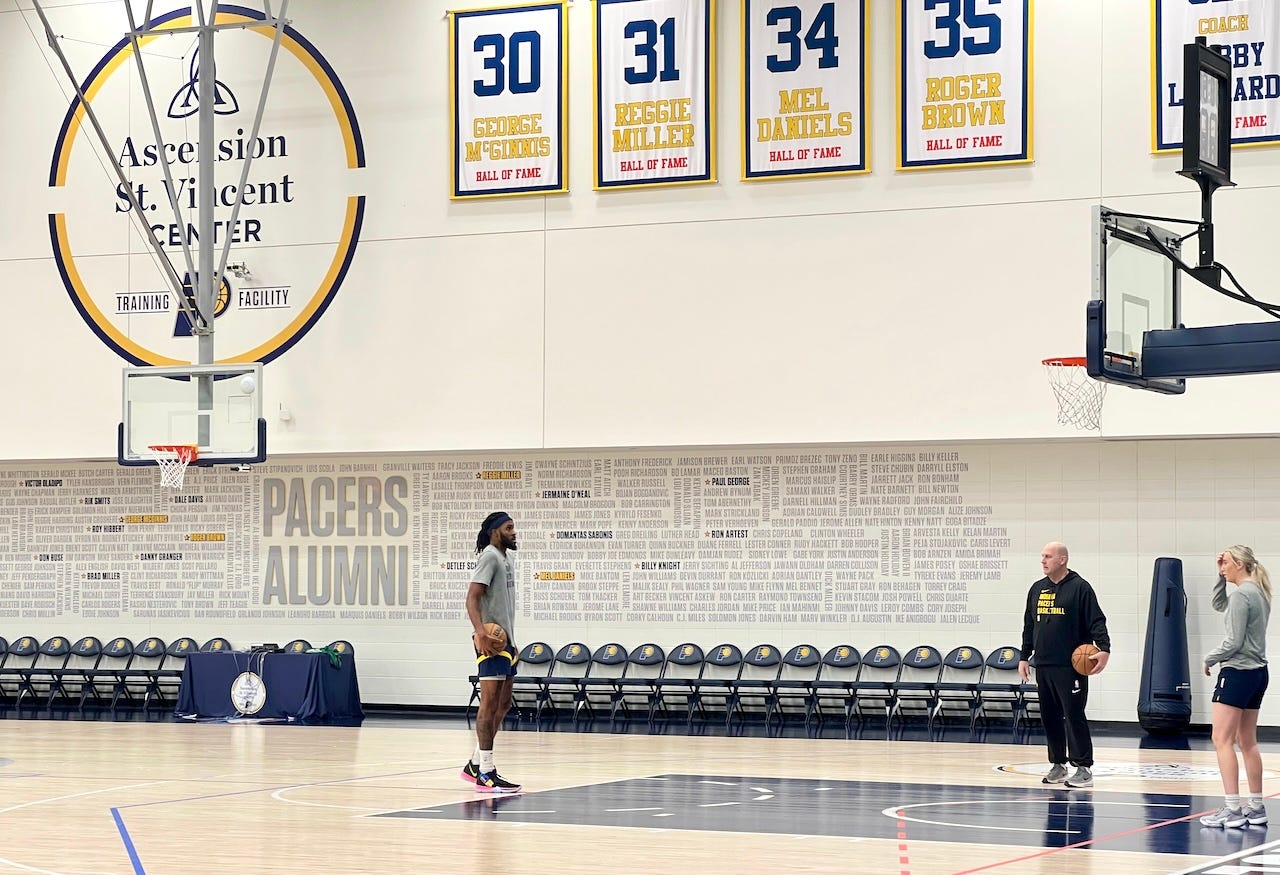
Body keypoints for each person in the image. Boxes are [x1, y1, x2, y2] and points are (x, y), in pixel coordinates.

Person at [1019, 542, 1111, 789]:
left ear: (1062, 559)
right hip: (1044, 664)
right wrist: (1024, 656)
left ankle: (1083, 768)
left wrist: (1104, 649)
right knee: (1049, 717)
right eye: (1042, 556)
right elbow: (1029, 625)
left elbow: (1097, 621)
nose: (1043, 560)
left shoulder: (1080, 588)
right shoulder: (1037, 589)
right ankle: (1058, 764)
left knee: (1073, 715)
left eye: (1048, 556)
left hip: (1070, 666)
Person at [1200, 545, 1272, 828]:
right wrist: (1219, 577)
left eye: (1226, 563)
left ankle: (1232, 809)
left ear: (1240, 564)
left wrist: (1210, 657)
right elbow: (1220, 605)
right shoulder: (1258, 591)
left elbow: (1234, 642)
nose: (1223, 567)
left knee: (1221, 740)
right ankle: (1256, 806)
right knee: (1247, 742)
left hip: (1238, 672)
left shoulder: (1243, 594)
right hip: (1257, 673)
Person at [461, 511, 522, 793]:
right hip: (490, 642)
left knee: (504, 704)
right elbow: (472, 598)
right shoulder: (489, 556)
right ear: (496, 531)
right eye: (509, 528)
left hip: (505, 641)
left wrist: (512, 640)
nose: (514, 532)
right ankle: (486, 771)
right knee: (488, 705)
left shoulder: (507, 558)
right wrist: (481, 633)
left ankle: (475, 763)